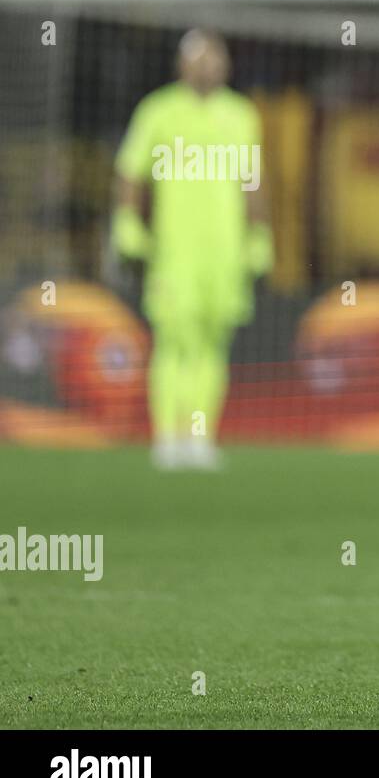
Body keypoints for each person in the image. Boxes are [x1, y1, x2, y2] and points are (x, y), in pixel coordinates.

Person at [111, 29, 272, 470]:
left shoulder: (241, 115)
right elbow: (130, 170)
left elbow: (253, 179)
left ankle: (199, 439)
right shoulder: (158, 111)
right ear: (182, 65)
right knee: (174, 340)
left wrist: (259, 234)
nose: (209, 66)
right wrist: (127, 222)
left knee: (212, 344)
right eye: (200, 58)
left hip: (225, 252)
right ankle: (167, 438)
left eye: (216, 58)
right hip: (174, 250)